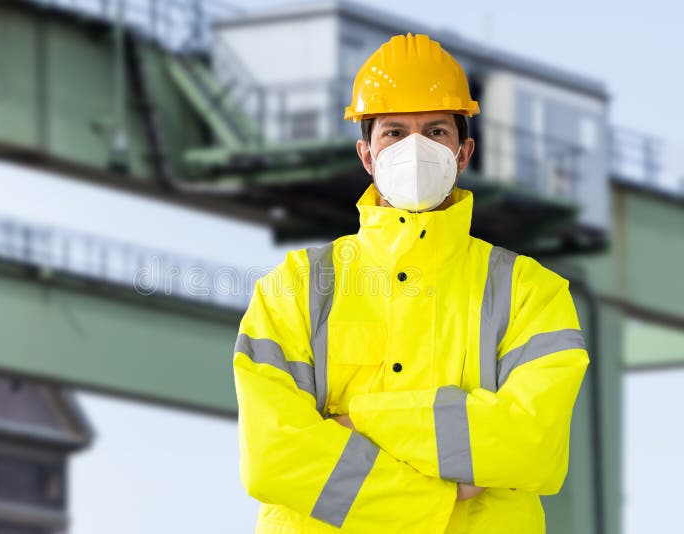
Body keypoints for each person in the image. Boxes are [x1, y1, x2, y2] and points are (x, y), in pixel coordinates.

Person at [233, 33, 589, 533]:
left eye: (436, 131)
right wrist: (440, 494)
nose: (414, 149)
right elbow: (272, 457)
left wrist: (359, 422)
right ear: (367, 155)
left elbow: (532, 445)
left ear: (463, 153)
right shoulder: (294, 288)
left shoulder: (531, 293)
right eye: (394, 132)